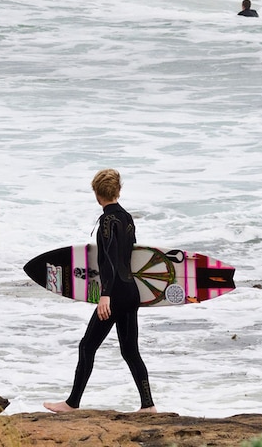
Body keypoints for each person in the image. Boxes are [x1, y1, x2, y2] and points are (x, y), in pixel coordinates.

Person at [44, 169, 156, 415]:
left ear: (97, 194)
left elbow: (110, 259)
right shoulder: (127, 218)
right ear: (118, 191)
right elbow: (130, 256)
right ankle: (148, 405)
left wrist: (105, 294)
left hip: (115, 294)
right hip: (131, 292)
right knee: (130, 351)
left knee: (87, 346)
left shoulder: (107, 221)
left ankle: (72, 404)